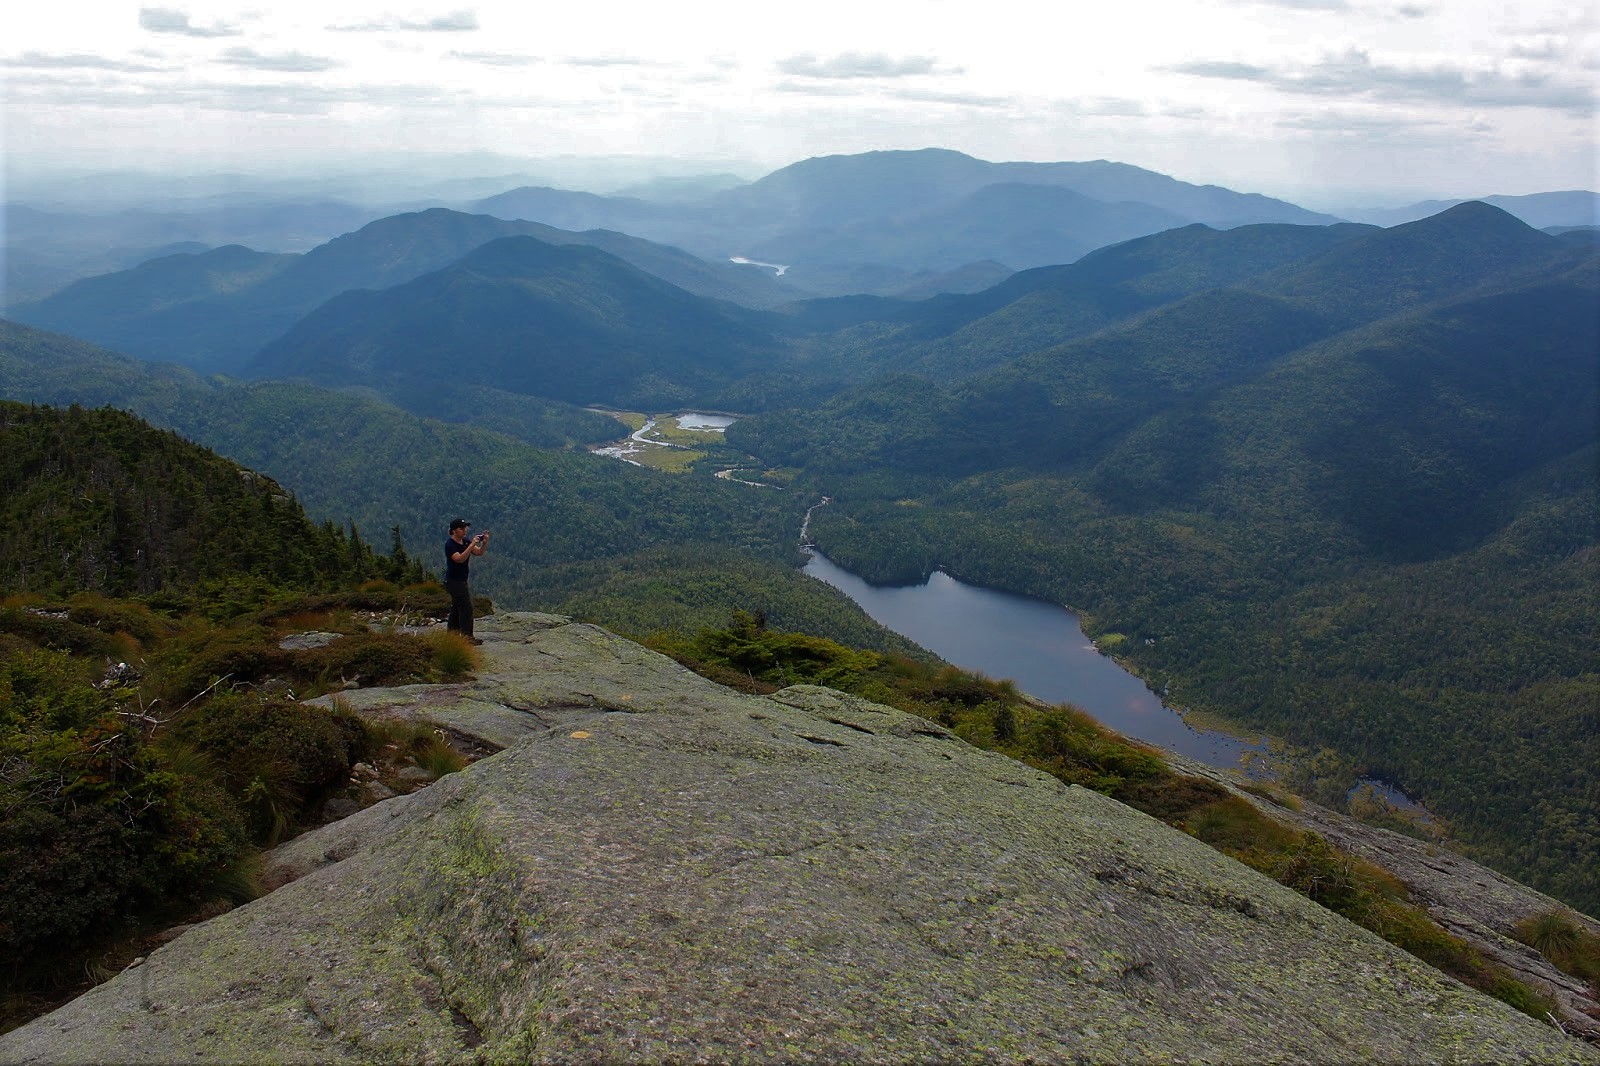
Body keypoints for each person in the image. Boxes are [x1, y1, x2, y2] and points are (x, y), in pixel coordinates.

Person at [443, 518, 489, 644]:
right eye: (461, 528)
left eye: (465, 528)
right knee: (466, 608)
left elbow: (479, 553)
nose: (464, 530)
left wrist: (484, 542)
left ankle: (451, 635)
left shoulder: (465, 541)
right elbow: (459, 559)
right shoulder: (450, 544)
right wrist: (471, 545)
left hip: (461, 580)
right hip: (454, 581)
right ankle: (467, 637)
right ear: (453, 531)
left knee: (457, 608)